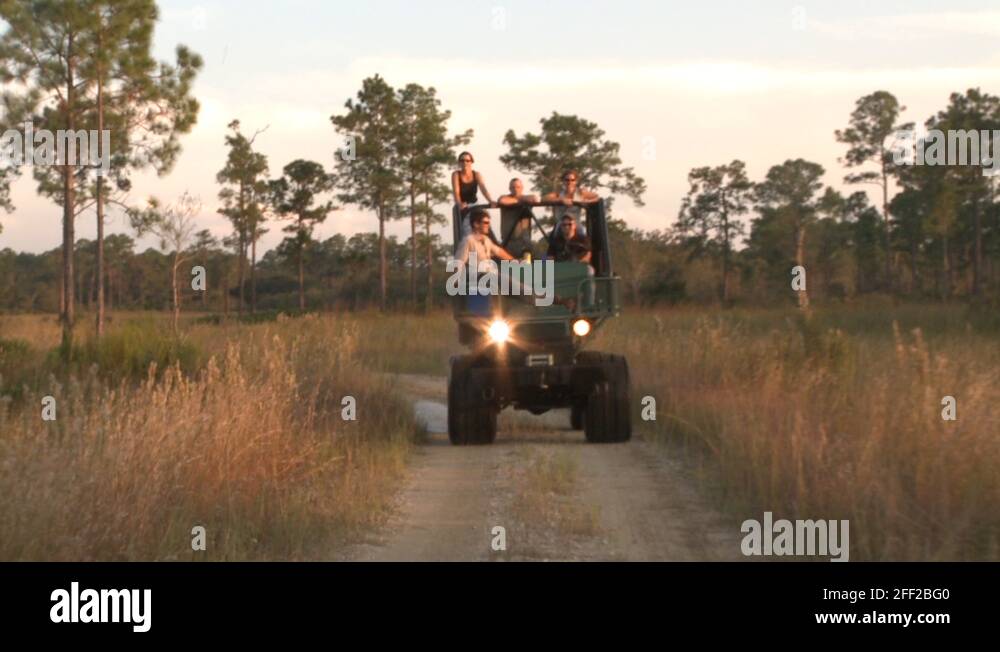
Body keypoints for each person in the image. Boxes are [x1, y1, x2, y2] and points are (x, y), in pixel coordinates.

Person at [452, 152, 495, 236]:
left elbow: (483, 189)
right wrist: (460, 203)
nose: (465, 162)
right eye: (462, 160)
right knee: (468, 232)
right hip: (463, 207)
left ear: (471, 162)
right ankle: (470, 247)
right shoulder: (456, 175)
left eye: (467, 160)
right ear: (459, 162)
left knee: (485, 227)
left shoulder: (477, 174)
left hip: (475, 206)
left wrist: (491, 201)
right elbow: (456, 192)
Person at [497, 178, 538, 258]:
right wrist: (520, 201)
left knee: (526, 267)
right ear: (509, 189)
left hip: (524, 242)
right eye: (513, 187)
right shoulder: (505, 197)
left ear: (522, 188)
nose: (515, 189)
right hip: (508, 241)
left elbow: (535, 199)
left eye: (518, 187)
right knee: (509, 268)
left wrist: (518, 200)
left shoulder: (527, 198)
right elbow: (502, 201)